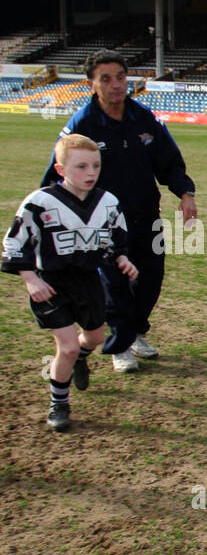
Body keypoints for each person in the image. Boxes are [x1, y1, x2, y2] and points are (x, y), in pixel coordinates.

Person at [42, 49, 196, 374]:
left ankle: (135, 331)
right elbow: (57, 175)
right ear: (91, 84)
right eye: (106, 79)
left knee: (151, 280)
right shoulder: (82, 125)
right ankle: (120, 345)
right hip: (103, 227)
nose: (116, 85)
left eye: (121, 77)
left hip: (146, 217)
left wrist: (185, 192)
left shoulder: (143, 119)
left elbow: (168, 159)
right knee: (116, 286)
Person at [5, 134, 137, 431]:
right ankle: (59, 403)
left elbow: (117, 238)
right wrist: (29, 279)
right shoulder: (39, 202)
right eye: (80, 167)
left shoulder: (108, 202)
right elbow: (13, 243)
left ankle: (80, 358)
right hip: (50, 284)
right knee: (66, 347)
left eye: (95, 166)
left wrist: (123, 259)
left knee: (94, 339)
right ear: (61, 169)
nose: (90, 173)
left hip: (88, 281)